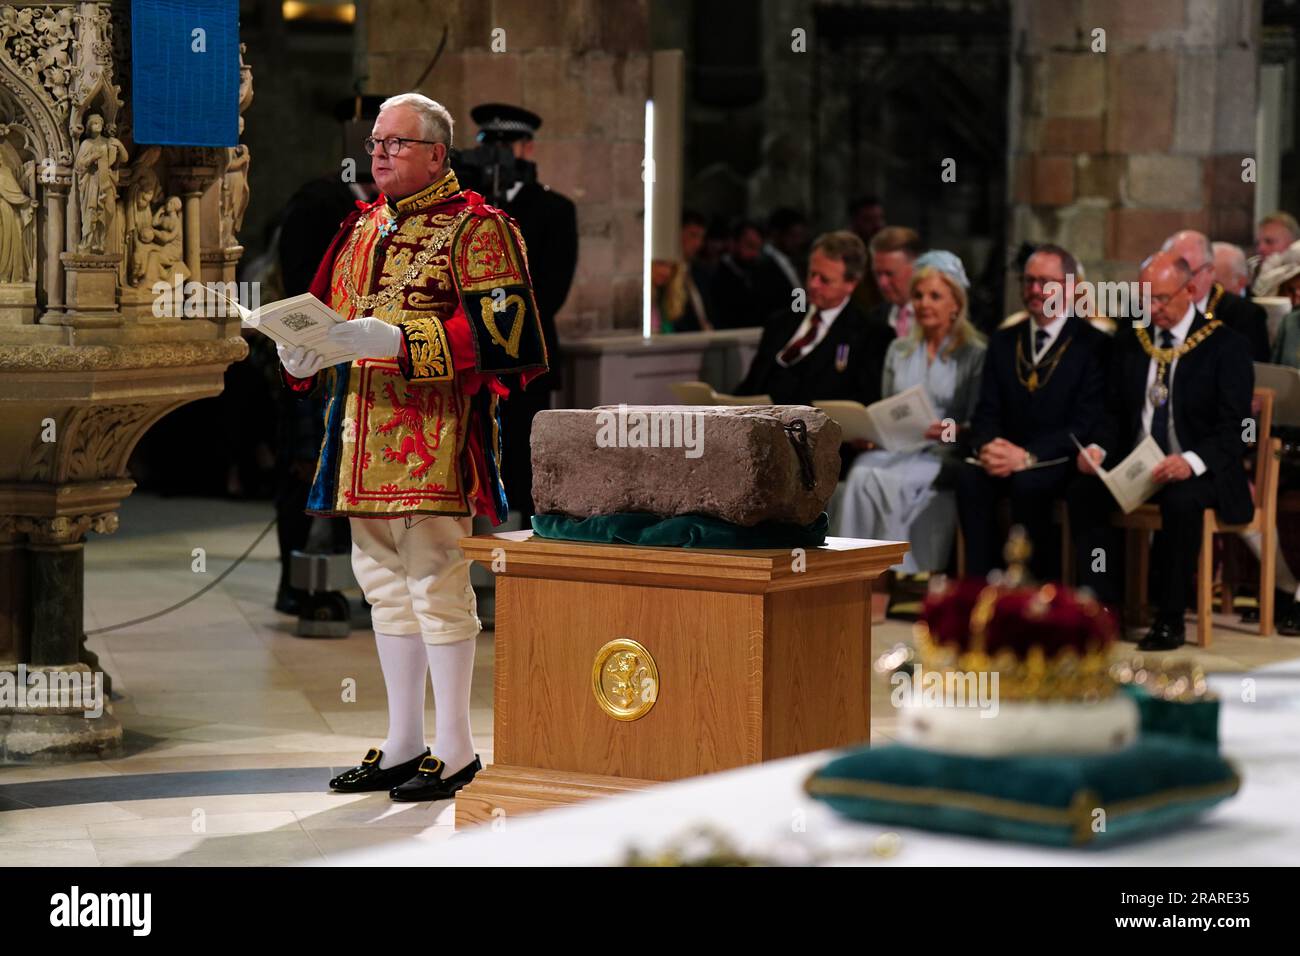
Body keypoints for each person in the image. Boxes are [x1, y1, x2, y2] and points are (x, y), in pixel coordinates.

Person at [277, 93, 548, 800]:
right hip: (361, 427)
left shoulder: (479, 228)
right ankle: (403, 743)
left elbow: (507, 337)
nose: (380, 153)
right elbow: (326, 316)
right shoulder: (359, 226)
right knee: (382, 588)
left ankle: (456, 750)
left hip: (437, 431)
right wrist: (303, 355)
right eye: (375, 142)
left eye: (396, 143)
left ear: (436, 153)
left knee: (436, 585)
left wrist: (401, 341)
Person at [1069, 252, 1254, 652]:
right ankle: (1105, 609)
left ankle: (1169, 618)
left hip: (1203, 469)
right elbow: (1113, 411)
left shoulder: (1225, 346)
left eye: (1162, 299)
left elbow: (1237, 430)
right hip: (1139, 466)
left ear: (1190, 290)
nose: (1152, 310)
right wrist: (1099, 448)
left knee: (1180, 500)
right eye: (1145, 299)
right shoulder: (1131, 339)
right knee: (1084, 491)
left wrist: (1189, 462)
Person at [957, 244, 1111, 581]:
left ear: (1070, 288)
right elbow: (986, 411)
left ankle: (1038, 593)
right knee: (970, 478)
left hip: (1057, 458)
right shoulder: (1003, 340)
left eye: (1046, 282)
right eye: (1028, 281)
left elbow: (1087, 422)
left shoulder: (1094, 345)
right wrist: (988, 446)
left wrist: (1028, 455)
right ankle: (979, 591)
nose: (1035, 290)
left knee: (1029, 484)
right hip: (1005, 455)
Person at [837, 251, 986, 573]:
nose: (924, 304)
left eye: (935, 296)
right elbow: (890, 408)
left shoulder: (975, 354)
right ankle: (854, 571)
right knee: (863, 472)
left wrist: (945, 430)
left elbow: (977, 424)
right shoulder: (899, 349)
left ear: (956, 304)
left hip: (944, 451)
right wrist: (874, 434)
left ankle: (906, 574)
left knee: (902, 481)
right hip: (900, 447)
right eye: (918, 296)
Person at [469, 103, 577, 521]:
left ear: (527, 148)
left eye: (506, 146)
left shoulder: (553, 210)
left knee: (521, 458)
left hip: (527, 352)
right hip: (470, 352)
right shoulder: (468, 207)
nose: (497, 157)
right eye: (488, 146)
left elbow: (552, 290)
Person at [734, 230, 895, 408]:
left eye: (824, 280)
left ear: (851, 284)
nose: (812, 285)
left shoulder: (871, 335)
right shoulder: (779, 323)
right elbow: (749, 387)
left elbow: (862, 404)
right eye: (812, 274)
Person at [1163, 230, 1270, 362]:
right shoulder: (1149, 310)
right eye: (1171, 274)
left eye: (1190, 274)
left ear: (1210, 271)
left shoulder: (1243, 315)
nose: (1179, 283)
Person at [864, 226, 924, 339]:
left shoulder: (941, 317)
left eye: (889, 274)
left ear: (917, 268)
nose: (882, 283)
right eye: (878, 274)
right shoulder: (872, 320)